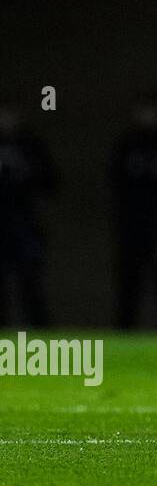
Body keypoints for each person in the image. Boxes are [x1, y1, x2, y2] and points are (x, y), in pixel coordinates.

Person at [109, 92, 157, 328]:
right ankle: (124, 336)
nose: (149, 116)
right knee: (128, 288)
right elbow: (114, 183)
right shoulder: (126, 144)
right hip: (132, 228)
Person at [0, 107, 56, 326]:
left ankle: (40, 339)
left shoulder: (31, 144)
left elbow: (51, 183)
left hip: (25, 225)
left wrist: (26, 178)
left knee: (31, 285)